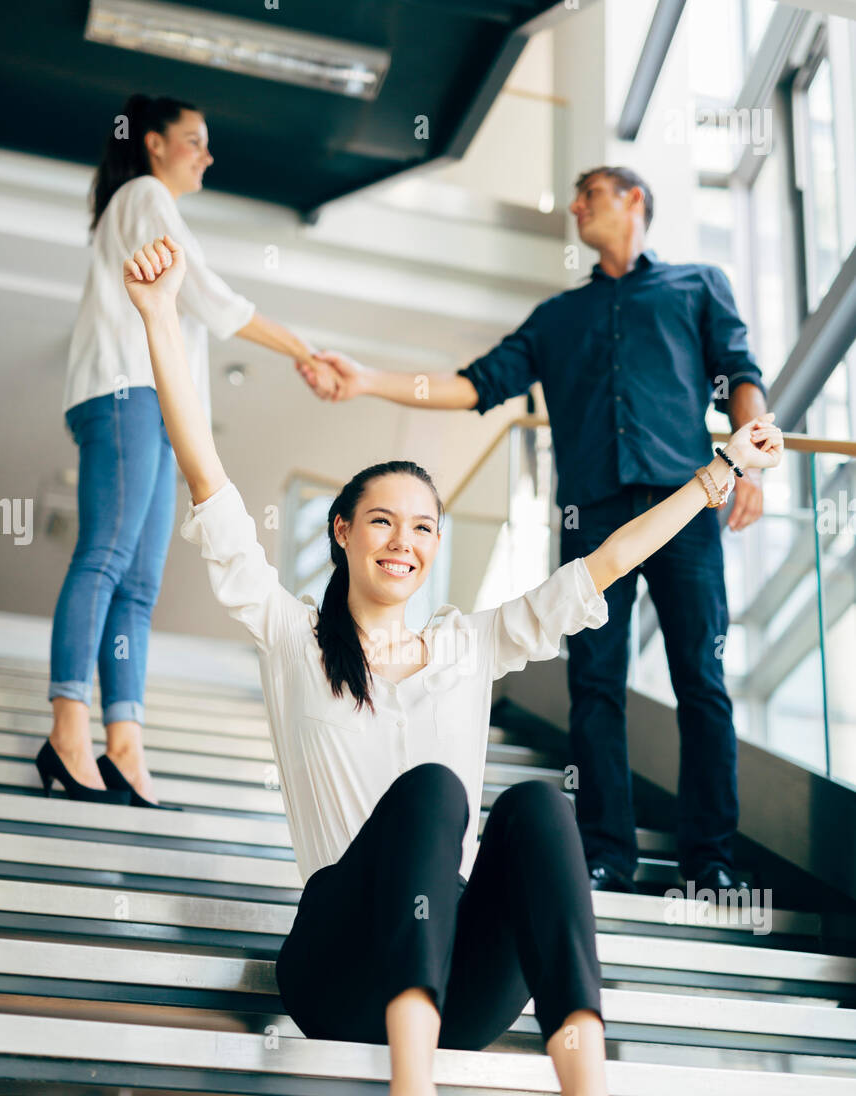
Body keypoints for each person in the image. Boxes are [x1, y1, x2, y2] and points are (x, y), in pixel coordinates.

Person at [122, 231, 781, 1096]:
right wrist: (163, 321)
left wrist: (711, 477)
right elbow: (204, 471)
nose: (404, 541)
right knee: (434, 789)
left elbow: (603, 560)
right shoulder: (292, 633)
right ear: (339, 532)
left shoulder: (469, 645)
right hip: (338, 970)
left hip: (458, 986)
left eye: (423, 528)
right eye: (380, 521)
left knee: (532, 808)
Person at [296, 167, 768, 897]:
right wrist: (366, 380)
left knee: (701, 680)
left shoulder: (698, 285)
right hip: (594, 515)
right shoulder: (557, 318)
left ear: (636, 199)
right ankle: (607, 853)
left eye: (591, 194)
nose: (576, 207)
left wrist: (749, 464)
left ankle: (712, 859)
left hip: (686, 509)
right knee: (594, 684)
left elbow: (740, 371)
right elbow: (474, 385)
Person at [37, 93, 338, 808]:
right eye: (195, 141)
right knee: (108, 559)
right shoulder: (143, 195)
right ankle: (67, 729)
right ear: (152, 145)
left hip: (151, 404)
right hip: (122, 392)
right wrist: (305, 349)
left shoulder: (141, 201)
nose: (208, 155)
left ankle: (125, 744)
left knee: (139, 585)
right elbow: (203, 293)